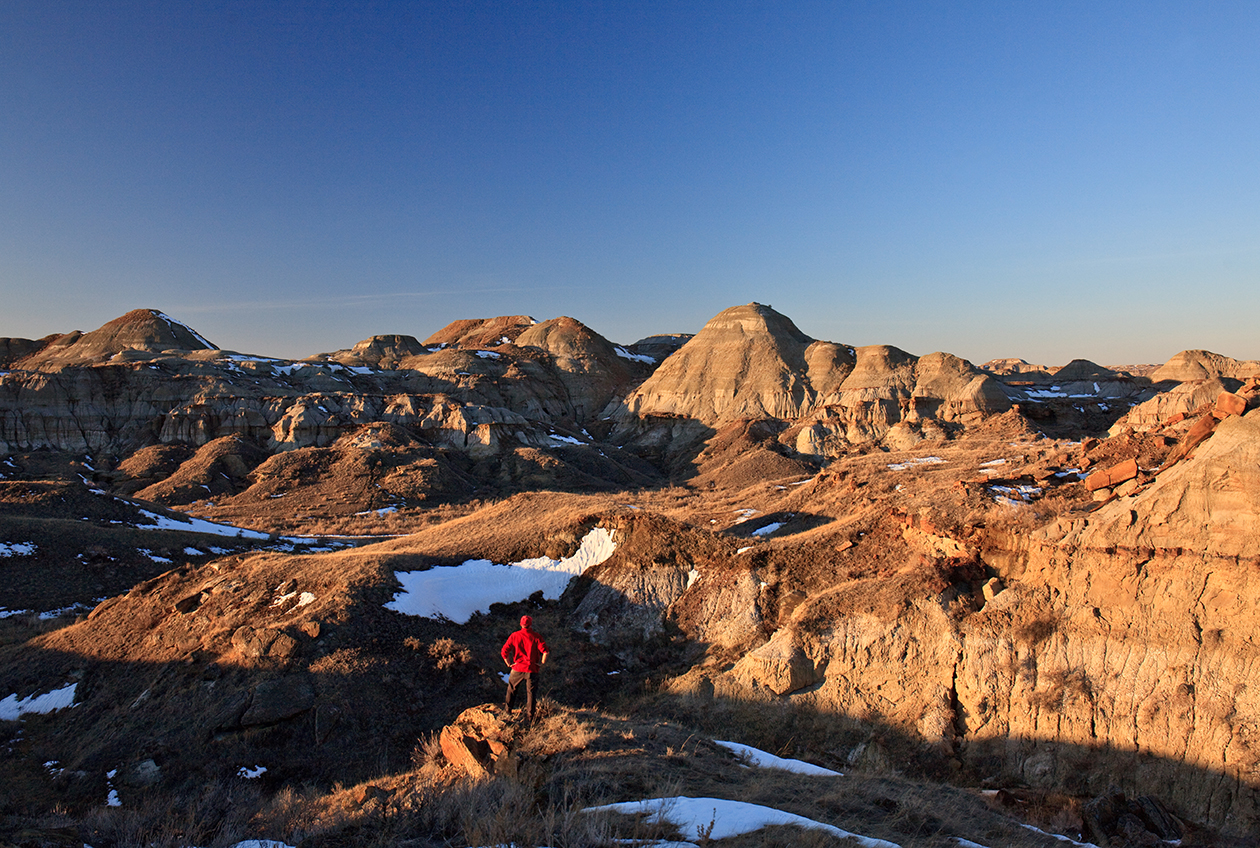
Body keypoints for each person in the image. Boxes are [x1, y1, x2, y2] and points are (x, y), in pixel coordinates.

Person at [501, 614, 548, 721]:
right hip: (532, 669)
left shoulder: (514, 635)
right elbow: (545, 651)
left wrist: (508, 663)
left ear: (521, 624)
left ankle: (508, 711)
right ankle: (530, 716)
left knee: (511, 689)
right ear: (530, 624)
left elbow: (504, 652)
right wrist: (542, 663)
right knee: (531, 693)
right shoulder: (536, 636)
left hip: (517, 668)